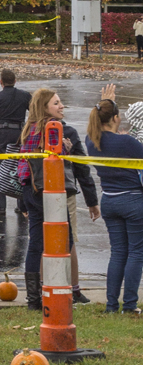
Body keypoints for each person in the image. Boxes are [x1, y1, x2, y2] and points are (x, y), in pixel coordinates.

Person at [17, 88, 99, 311]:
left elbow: (23, 167)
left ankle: (33, 299)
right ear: (45, 107)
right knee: (64, 241)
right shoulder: (53, 127)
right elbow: (56, 156)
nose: (61, 106)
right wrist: (67, 148)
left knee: (35, 244)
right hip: (50, 192)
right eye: (56, 103)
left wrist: (22, 201)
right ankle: (58, 290)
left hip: (30, 190)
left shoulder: (29, 128)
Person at [85, 87, 143, 314]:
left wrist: (106, 101)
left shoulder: (92, 141)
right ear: (116, 118)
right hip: (133, 201)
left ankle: (111, 305)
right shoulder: (127, 143)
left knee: (118, 252)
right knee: (136, 252)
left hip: (109, 200)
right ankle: (129, 305)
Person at [0, 69, 31, 216]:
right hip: (19, 134)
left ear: (1, 82)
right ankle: (22, 204)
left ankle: (0, 205)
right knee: (21, 167)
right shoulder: (25, 96)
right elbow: (35, 112)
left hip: (1, 135)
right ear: (15, 81)